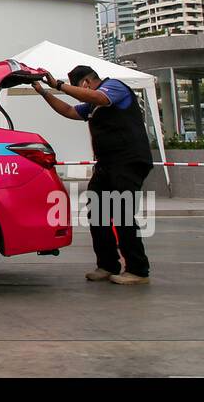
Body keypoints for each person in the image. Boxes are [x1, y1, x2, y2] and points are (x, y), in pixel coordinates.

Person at [32, 64, 153, 285]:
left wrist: (59, 85)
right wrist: (43, 93)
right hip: (107, 164)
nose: (80, 94)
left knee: (122, 212)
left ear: (86, 83)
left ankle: (138, 270)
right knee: (96, 212)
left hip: (128, 161)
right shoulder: (91, 106)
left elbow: (100, 98)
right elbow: (69, 111)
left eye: (78, 88)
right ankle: (107, 264)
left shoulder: (114, 87)